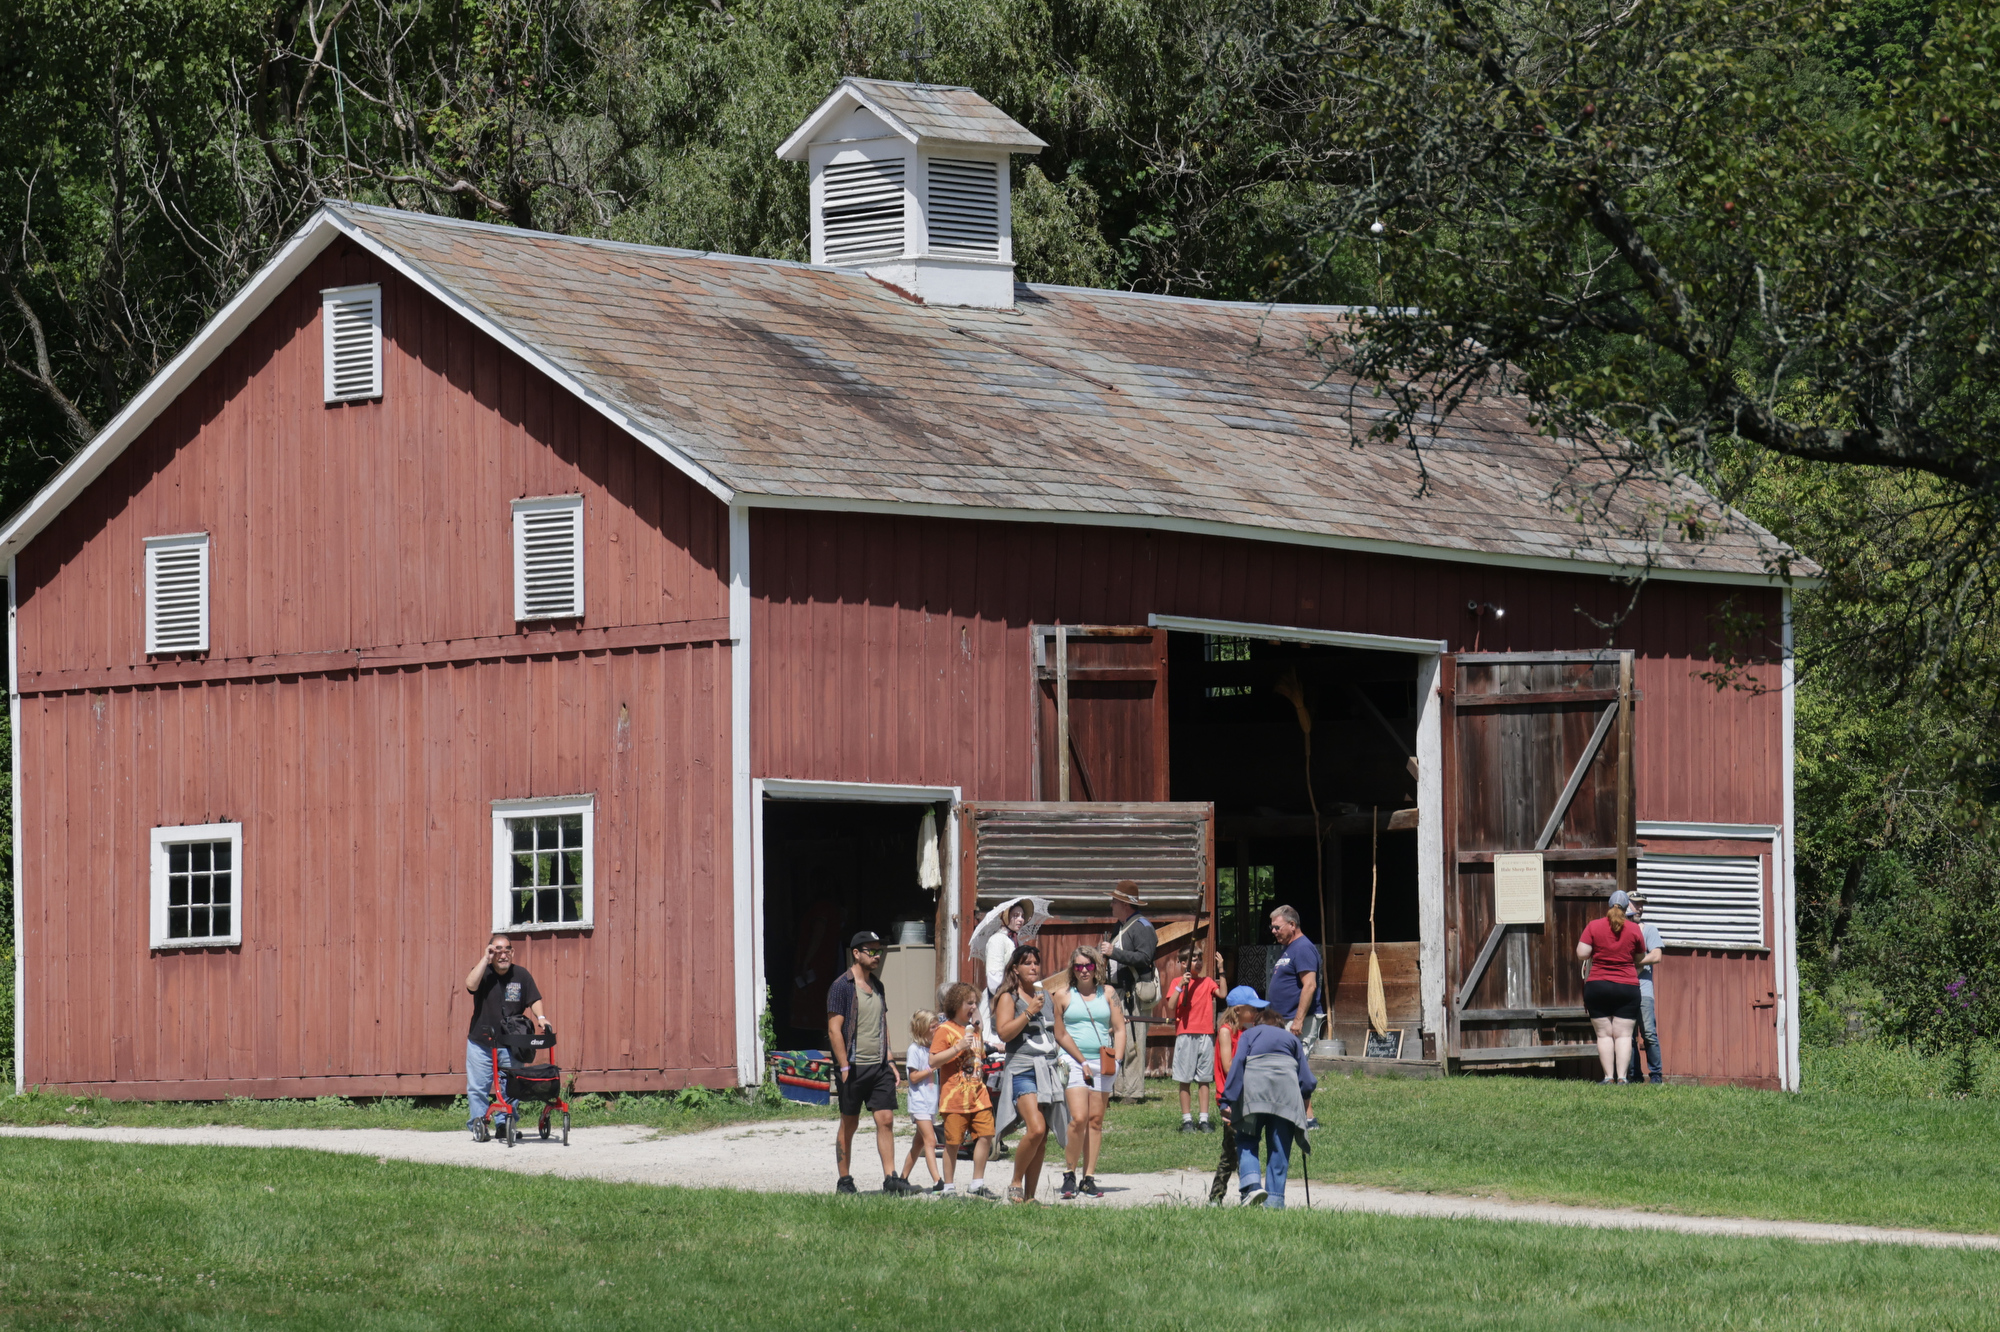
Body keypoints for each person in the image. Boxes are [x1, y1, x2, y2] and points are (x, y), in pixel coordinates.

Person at [993, 944, 1086, 1203]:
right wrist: (1029, 1011)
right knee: (1035, 1128)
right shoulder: (1008, 998)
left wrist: (1081, 1061)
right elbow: (1004, 1033)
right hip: (1022, 1069)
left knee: (1043, 1136)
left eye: (1036, 962)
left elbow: (1060, 1034)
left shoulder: (1047, 996)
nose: (1033, 967)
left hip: (1047, 1069)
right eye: (1027, 963)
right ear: (1015, 968)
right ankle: (1015, 1182)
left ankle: (1031, 1196)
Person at [827, 931, 912, 1194]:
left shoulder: (878, 986)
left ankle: (890, 1178)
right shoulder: (841, 986)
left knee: (885, 1118)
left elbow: (882, 1023)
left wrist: (888, 1059)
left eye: (880, 951)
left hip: (878, 1066)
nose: (877, 955)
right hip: (852, 1067)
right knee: (849, 1123)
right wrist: (843, 1066)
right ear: (856, 953)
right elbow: (834, 1029)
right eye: (872, 951)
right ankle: (845, 1181)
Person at [1219, 986, 1316, 1208]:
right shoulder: (1291, 1039)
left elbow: (1238, 1066)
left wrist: (1227, 1100)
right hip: (1286, 1096)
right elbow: (1307, 1081)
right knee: (1280, 1145)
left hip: (1255, 1092)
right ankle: (1274, 1202)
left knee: (1246, 1138)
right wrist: (1303, 1098)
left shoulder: (1250, 1034)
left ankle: (1252, 1186)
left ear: (1257, 1023)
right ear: (1281, 1026)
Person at [1050, 944, 1126, 1199]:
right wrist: (1080, 1059)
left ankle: (1089, 1177)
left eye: (1089, 966)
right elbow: (1059, 1034)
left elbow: (1120, 1027)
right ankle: (1069, 1173)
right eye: (1079, 966)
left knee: (1096, 1121)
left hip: (1102, 1061)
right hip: (1072, 1060)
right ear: (1073, 969)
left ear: (1097, 968)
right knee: (1079, 1118)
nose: (1084, 971)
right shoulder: (1062, 995)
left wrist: (1119, 1059)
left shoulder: (1109, 993)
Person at [463, 935, 550, 1139]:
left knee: (511, 1087)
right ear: (491, 952)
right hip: (481, 1043)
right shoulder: (483, 972)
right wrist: (485, 959)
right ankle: (479, 1125)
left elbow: (534, 998)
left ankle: (505, 1124)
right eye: (497, 950)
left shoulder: (521, 975)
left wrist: (542, 1018)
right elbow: (470, 985)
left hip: (512, 1043)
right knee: (478, 1088)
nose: (502, 955)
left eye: (506, 950)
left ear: (512, 952)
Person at [930, 983, 1000, 1199]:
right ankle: (948, 1187)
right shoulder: (945, 1030)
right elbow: (933, 1061)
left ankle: (977, 1183)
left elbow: (978, 1022)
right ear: (955, 1004)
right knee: (953, 1142)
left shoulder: (976, 1030)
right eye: (968, 1003)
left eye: (975, 1003)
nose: (973, 1006)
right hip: (954, 1097)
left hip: (979, 1095)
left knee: (987, 1135)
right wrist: (958, 1047)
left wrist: (976, 1008)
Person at [1577, 890, 1650, 1085]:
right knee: (1624, 1035)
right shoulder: (1634, 929)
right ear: (1627, 908)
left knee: (1604, 1035)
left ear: (1609, 906)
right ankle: (1623, 1078)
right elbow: (1640, 959)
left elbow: (1582, 953)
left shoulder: (1594, 926)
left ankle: (1608, 1077)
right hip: (1627, 987)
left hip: (1598, 986)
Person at [1266, 905, 1325, 1128]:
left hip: (1297, 1020)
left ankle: (1308, 1118)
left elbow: (1309, 986)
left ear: (1292, 925)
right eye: (1271, 927)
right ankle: (1290, 1113)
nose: (1273, 931)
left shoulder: (1303, 948)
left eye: (1277, 927)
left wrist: (1299, 1020)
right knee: (1285, 1067)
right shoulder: (1289, 948)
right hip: (1284, 1019)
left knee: (1296, 1067)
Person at [1103, 883, 1158, 1101]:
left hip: (1134, 992)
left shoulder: (1142, 927)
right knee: (1118, 1039)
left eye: (1114, 901)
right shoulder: (1121, 925)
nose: (1111, 904)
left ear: (1125, 904)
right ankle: (1117, 1089)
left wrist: (1113, 952)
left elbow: (1145, 957)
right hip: (1118, 990)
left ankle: (1134, 1092)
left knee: (1134, 1040)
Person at [1168, 943, 1221, 1133]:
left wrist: (1221, 970)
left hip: (1206, 1034)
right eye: (1193, 960)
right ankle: (1187, 1120)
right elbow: (1171, 1006)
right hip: (1185, 1033)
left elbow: (1223, 994)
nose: (1198, 963)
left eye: (1200, 959)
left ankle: (1204, 1119)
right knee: (1185, 1078)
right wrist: (1181, 986)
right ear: (1183, 964)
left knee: (1204, 1078)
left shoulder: (1207, 982)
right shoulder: (1177, 982)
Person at [1207, 980, 1247, 1205]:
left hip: (1241, 1096)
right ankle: (1242, 1194)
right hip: (1228, 1098)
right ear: (1239, 1010)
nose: (1256, 1012)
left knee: (1233, 1149)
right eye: (1252, 1008)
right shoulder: (1225, 1032)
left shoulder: (1243, 1031)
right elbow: (1228, 1066)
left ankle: (1218, 1197)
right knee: (1235, 1148)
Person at [1625, 891, 1667, 1084]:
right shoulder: (1620, 930)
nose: (1640, 908)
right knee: (1629, 1035)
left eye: (1642, 904)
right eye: (1636, 904)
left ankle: (1656, 1075)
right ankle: (1634, 1076)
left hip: (1644, 990)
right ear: (1625, 905)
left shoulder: (1648, 929)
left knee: (1648, 1033)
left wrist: (1634, 964)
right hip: (1624, 990)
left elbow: (1656, 956)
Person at [900, 1009, 942, 1191]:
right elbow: (913, 1077)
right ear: (922, 1029)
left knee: (918, 1143)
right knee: (930, 1141)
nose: (937, 1029)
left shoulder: (934, 1049)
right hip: (919, 1103)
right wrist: (931, 1068)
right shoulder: (915, 1050)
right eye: (933, 1027)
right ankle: (938, 1181)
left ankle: (902, 1179)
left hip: (930, 1103)